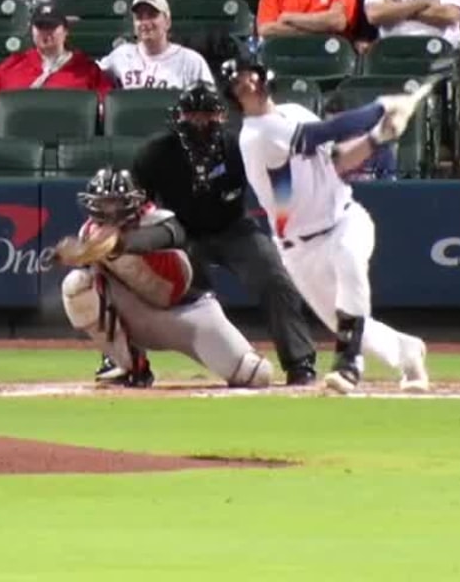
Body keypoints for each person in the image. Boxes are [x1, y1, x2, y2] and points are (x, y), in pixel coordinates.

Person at [221, 54, 431, 394]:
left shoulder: (294, 113)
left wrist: (378, 137)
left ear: (263, 75)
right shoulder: (256, 135)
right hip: (298, 249)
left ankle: (348, 365)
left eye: (250, 76)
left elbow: (335, 161)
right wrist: (379, 108)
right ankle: (407, 351)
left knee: (350, 263)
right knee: (349, 323)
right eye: (238, 85)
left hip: (344, 220)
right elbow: (323, 132)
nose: (248, 84)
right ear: (233, 98)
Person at [92, 79, 320, 387]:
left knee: (274, 277)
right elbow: (134, 208)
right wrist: (127, 241)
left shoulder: (240, 147)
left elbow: (276, 184)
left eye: (206, 115)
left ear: (221, 117)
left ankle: (300, 361)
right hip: (179, 233)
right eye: (192, 115)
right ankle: (121, 357)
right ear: (179, 118)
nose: (199, 122)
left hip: (233, 229)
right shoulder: (155, 152)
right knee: (128, 272)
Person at [59, 168, 274, 390]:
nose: (111, 211)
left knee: (255, 374)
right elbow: (97, 292)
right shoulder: (89, 234)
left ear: (134, 202)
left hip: (190, 316)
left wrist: (118, 243)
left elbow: (160, 238)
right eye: (105, 204)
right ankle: (126, 362)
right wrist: (70, 255)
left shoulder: (158, 220)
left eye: (117, 203)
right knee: (77, 284)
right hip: (139, 315)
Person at [97, 0, 213, 89]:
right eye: (139, 17)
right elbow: (91, 75)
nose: (145, 23)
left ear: (167, 21)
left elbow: (210, 107)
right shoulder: (120, 56)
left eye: (152, 15)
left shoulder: (191, 61)